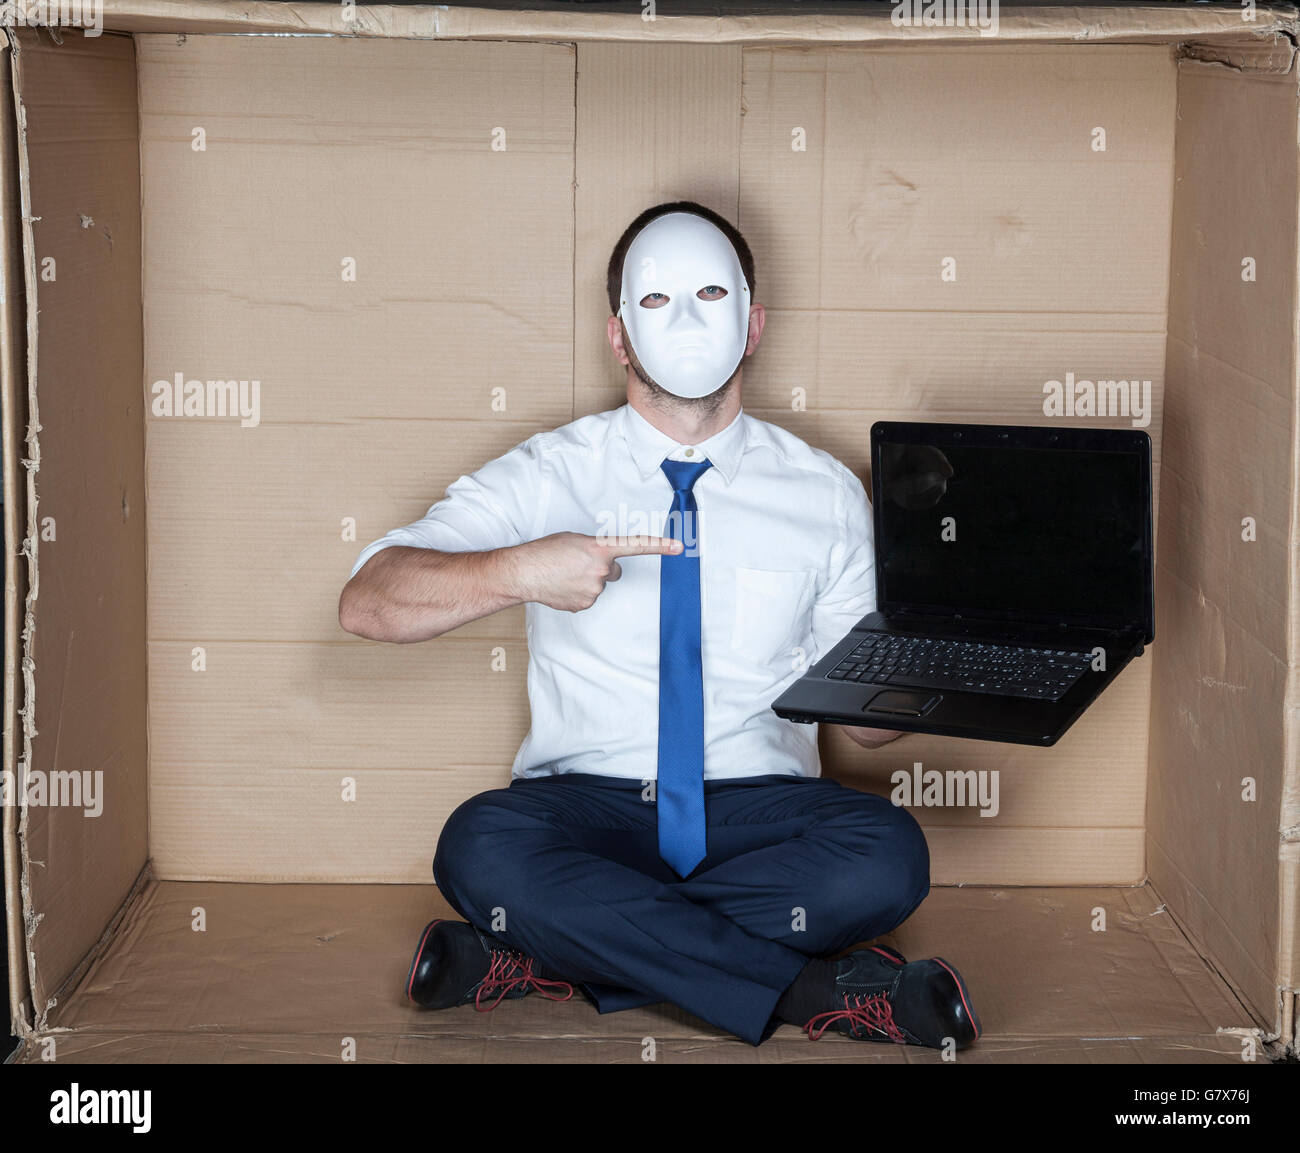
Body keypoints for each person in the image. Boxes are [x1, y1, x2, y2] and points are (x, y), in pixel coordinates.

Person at [337, 201, 980, 1049]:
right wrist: (519, 569)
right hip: (584, 811)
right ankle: (809, 988)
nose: (684, 320)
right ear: (618, 336)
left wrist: (960, 652)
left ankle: (550, 949)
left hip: (765, 816)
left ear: (753, 325)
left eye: (711, 293)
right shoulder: (548, 473)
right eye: (656, 302)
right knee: (478, 846)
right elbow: (369, 600)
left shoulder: (826, 493)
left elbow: (862, 735)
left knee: (889, 854)